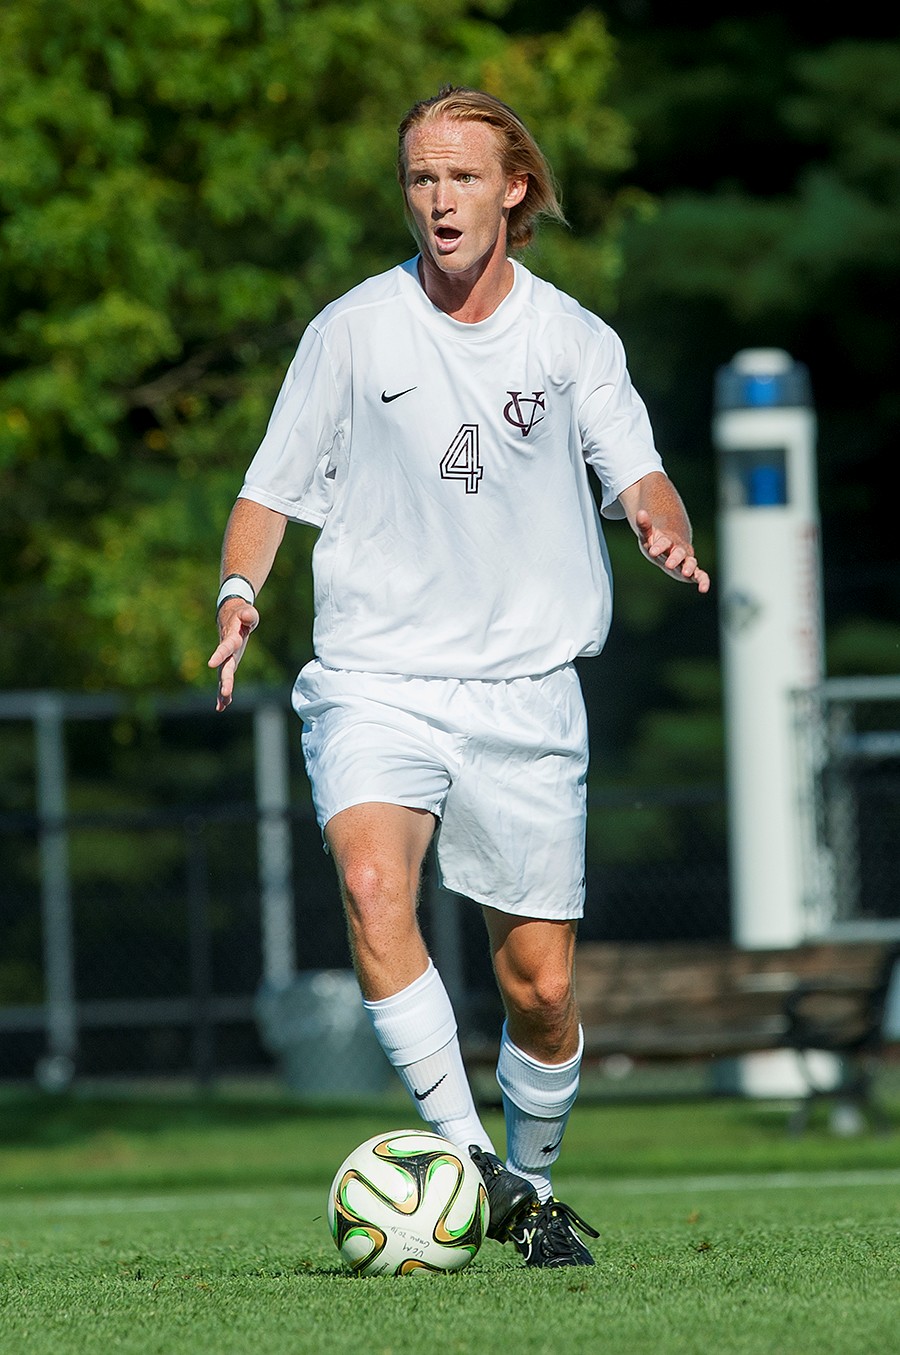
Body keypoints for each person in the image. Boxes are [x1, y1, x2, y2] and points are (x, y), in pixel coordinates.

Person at [208, 86, 710, 1268]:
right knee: (373, 883)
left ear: (513, 189)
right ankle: (473, 1160)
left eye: (463, 177)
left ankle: (534, 1186)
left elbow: (640, 473)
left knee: (539, 987)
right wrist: (238, 591)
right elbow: (269, 490)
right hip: (377, 674)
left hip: (525, 691)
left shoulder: (572, 340)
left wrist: (662, 524)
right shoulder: (353, 330)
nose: (439, 200)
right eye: (421, 178)